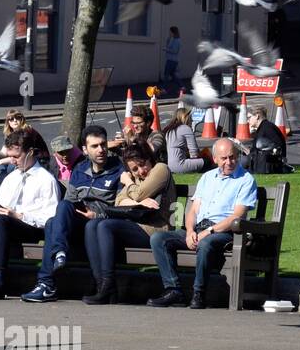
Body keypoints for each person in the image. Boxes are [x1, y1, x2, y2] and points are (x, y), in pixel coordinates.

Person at [148, 138, 258, 309]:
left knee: (206, 243)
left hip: (225, 232)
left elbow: (237, 216)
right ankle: (173, 290)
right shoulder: (207, 178)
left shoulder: (246, 180)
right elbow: (193, 210)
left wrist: (210, 231)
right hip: (199, 228)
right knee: (159, 239)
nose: (229, 162)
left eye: (233, 157)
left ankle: (199, 293)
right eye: (224, 158)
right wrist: (190, 230)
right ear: (215, 159)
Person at [20, 126, 123, 304]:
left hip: (99, 225)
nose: (101, 150)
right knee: (60, 212)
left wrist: (97, 214)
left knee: (53, 224)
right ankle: (57, 257)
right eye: (95, 146)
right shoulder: (80, 170)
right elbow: (70, 201)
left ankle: (47, 282)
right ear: (84, 149)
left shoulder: (118, 170)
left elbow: (121, 206)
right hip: (77, 222)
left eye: (103, 145)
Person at [82, 142, 175, 305]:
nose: (141, 171)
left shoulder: (161, 169)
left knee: (105, 225)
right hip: (137, 227)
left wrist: (128, 183)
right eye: (134, 169)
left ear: (149, 159)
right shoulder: (138, 178)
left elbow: (138, 193)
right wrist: (139, 202)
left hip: (157, 229)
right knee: (92, 225)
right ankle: (102, 285)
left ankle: (108, 287)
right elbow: (118, 201)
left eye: (142, 164)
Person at [0, 131, 60, 300]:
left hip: (31, 228)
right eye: (10, 156)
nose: (12, 161)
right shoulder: (12, 177)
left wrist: (19, 215)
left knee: (2, 219)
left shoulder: (46, 180)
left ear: (30, 152)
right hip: (4, 226)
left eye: (16, 156)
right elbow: (0, 205)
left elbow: (51, 219)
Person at [162, 107, 210, 174]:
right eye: (190, 117)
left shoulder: (168, 130)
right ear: (185, 117)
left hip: (167, 166)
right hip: (179, 166)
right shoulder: (185, 128)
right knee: (208, 161)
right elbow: (194, 153)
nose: (191, 120)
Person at [244, 104, 289, 174]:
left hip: (267, 166)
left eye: (249, 117)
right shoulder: (262, 128)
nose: (247, 121)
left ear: (257, 116)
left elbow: (279, 146)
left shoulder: (268, 128)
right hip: (262, 164)